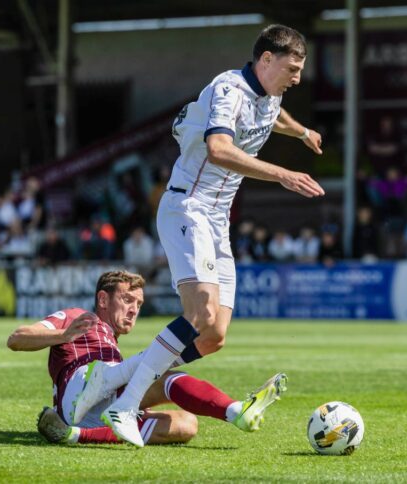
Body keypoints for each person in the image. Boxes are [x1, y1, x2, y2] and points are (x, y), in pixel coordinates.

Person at [89, 24, 323, 447]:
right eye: (292, 68)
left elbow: (274, 114)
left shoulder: (271, 93)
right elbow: (218, 148)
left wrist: (302, 131)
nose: (297, 78)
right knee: (200, 311)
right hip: (187, 208)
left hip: (216, 220)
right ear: (265, 60)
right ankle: (124, 403)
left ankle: (117, 377)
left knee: (213, 335)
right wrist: (283, 174)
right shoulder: (228, 90)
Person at [7, 270, 287, 446]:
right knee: (159, 373)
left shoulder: (113, 346)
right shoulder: (77, 318)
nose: (134, 309)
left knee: (186, 424)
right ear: (103, 300)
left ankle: (74, 435)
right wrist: (64, 335)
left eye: (138, 304)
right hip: (75, 392)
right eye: (127, 300)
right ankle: (235, 409)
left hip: (89, 415)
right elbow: (17, 338)